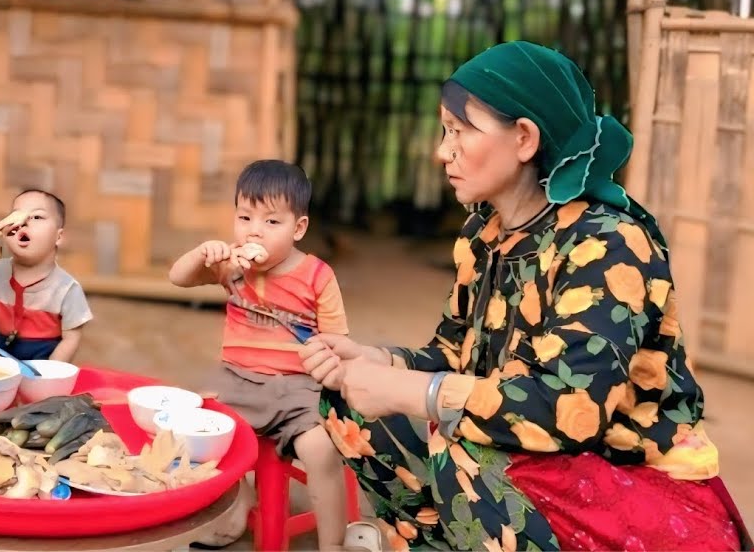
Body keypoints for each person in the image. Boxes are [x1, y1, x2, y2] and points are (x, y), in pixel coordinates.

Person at [300, 41, 751, 551]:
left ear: (523, 138)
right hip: (526, 469)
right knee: (350, 403)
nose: (441, 151)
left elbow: (568, 410)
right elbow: (454, 358)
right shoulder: (483, 235)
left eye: (458, 130)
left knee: (461, 448)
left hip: (630, 487)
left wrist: (409, 390)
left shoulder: (609, 247)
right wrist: (377, 359)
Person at [169, 160, 351, 548]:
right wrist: (203, 254)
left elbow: (338, 342)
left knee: (318, 449)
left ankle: (333, 540)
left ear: (298, 228)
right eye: (245, 217)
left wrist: (332, 379)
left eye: (272, 222)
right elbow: (177, 278)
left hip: (298, 387)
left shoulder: (318, 275)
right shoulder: (230, 266)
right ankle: (240, 505)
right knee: (202, 433)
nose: (255, 230)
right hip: (236, 380)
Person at [0, 189, 92, 362]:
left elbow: (71, 338)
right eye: (16, 216)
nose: (22, 222)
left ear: (59, 237)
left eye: (36, 217)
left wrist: (49, 373)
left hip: (43, 363)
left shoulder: (67, 288)